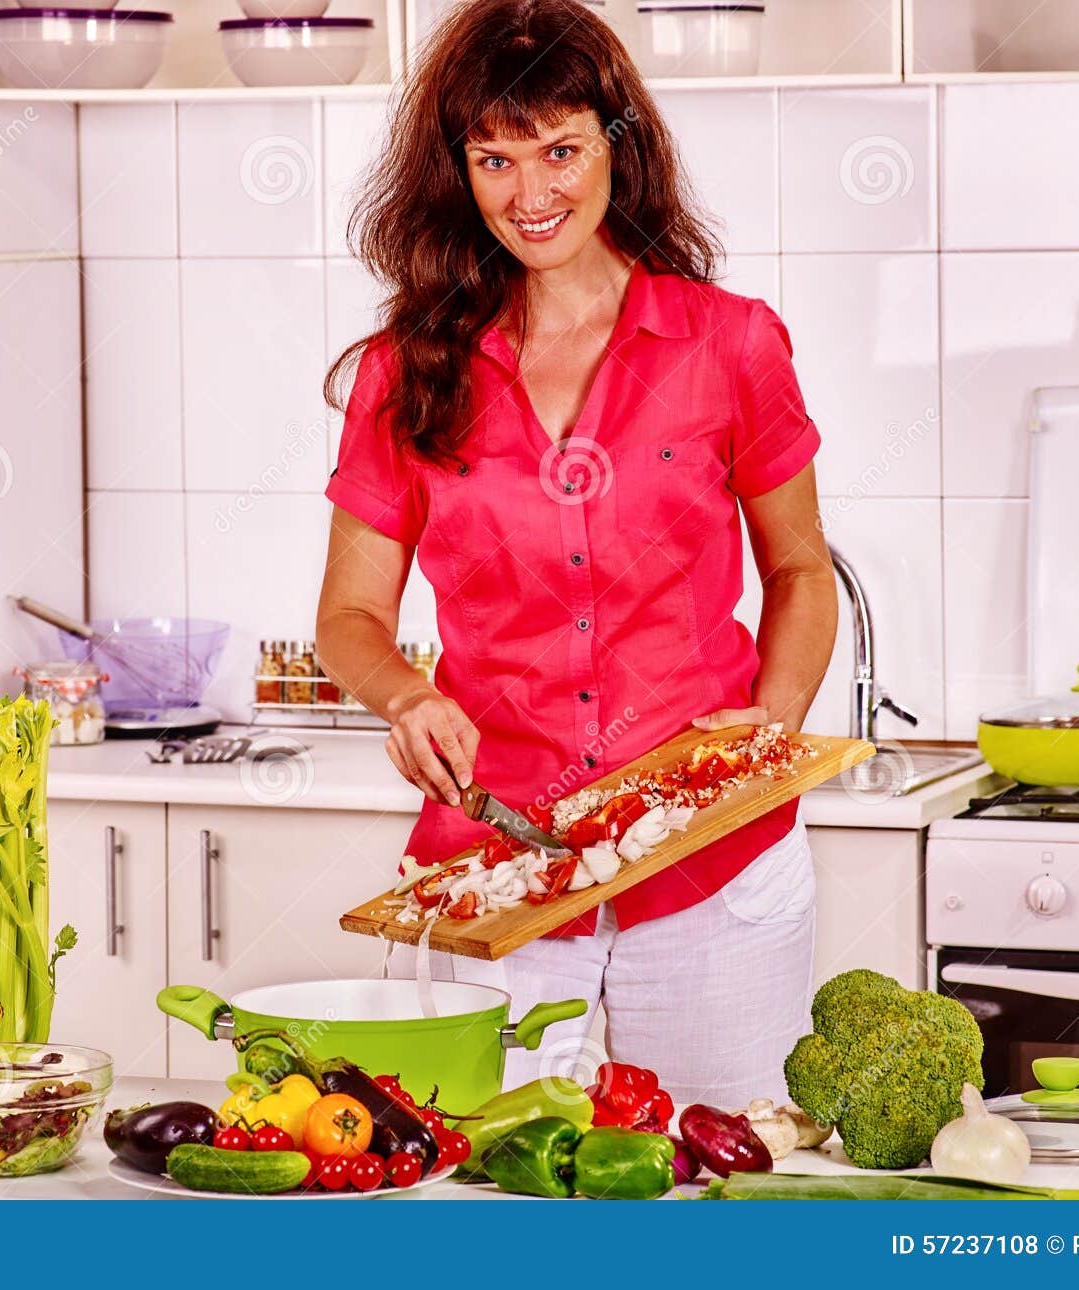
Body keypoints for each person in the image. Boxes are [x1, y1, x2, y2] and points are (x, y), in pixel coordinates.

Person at [315, 0, 837, 1104]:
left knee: (721, 1188)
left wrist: (775, 724)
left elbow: (799, 569)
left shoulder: (728, 343)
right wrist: (404, 698)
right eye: (494, 159)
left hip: (712, 862)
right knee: (485, 1195)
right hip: (495, 865)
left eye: (560, 149)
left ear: (618, 145)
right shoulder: (405, 372)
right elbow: (348, 620)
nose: (531, 193)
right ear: (457, 171)